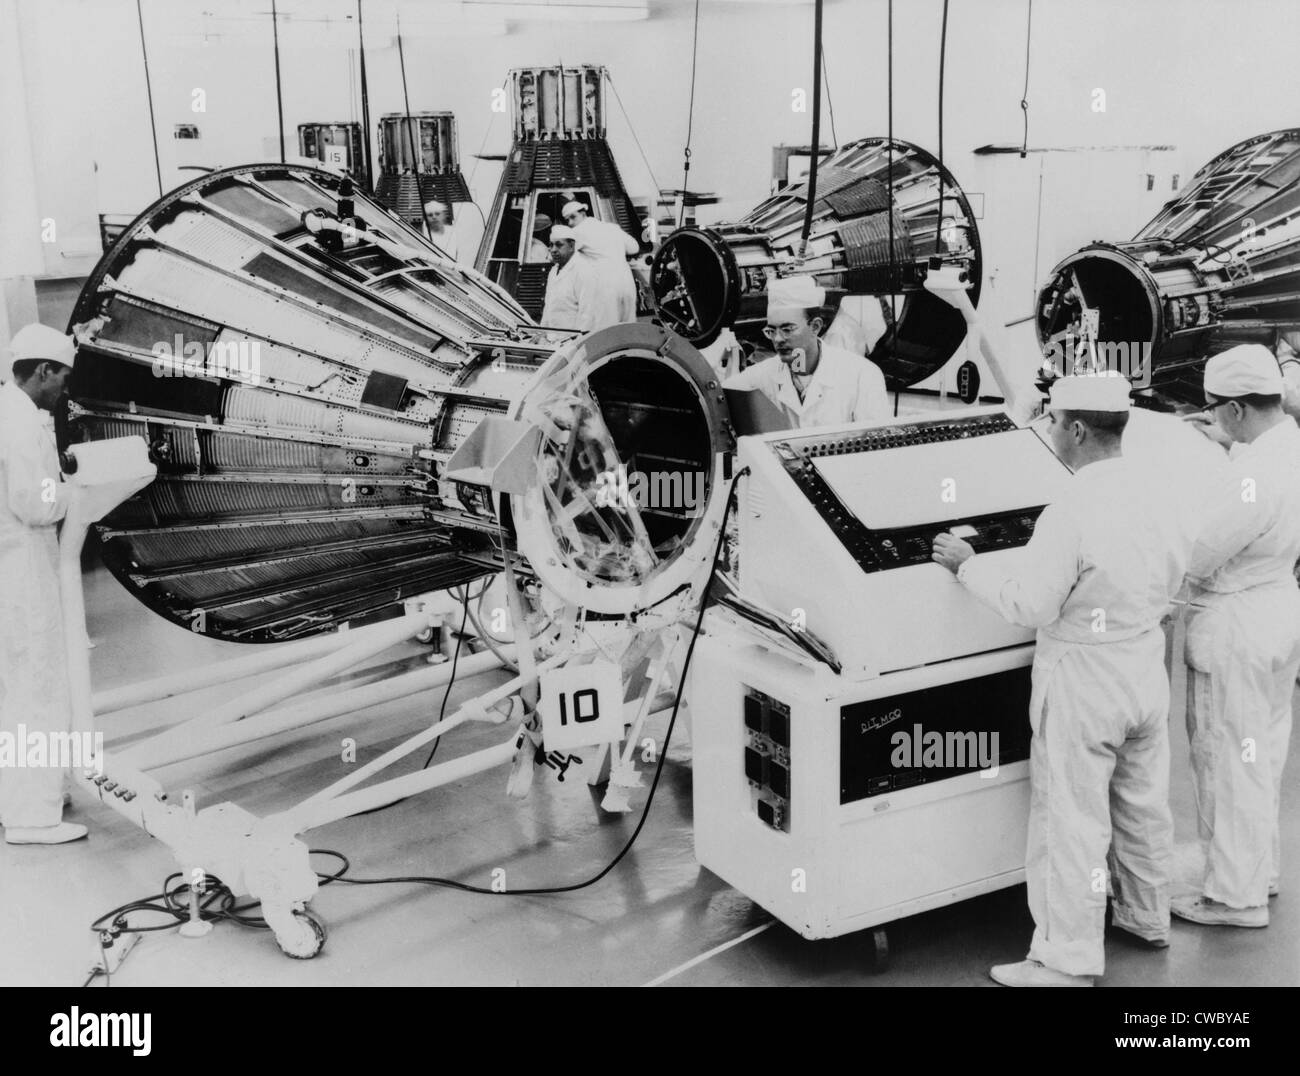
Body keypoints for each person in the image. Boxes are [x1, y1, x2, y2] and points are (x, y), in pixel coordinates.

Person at [932, 373, 1189, 986]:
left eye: (1052, 423)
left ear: (1075, 429)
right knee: (1143, 805)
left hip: (1085, 677)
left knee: (1070, 820)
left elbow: (1032, 605)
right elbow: (1177, 572)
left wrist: (970, 568)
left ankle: (1064, 959)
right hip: (1143, 667)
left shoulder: (1071, 507)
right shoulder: (1161, 493)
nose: (1049, 432)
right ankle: (1146, 917)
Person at [1173, 344, 1300, 928]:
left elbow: (1199, 552)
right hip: (1277, 610)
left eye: (1216, 409)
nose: (1213, 418)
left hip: (1236, 623)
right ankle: (1256, 871)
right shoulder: (1289, 447)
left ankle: (1232, 897)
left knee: (1227, 757)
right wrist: (1229, 451)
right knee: (1262, 754)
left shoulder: (1252, 476)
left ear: (1237, 410)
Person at [0, 323, 86, 845]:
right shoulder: (22, 425)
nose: (64, 390)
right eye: (61, 378)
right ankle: (33, 817)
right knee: (40, 687)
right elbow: (34, 503)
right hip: (24, 568)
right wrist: (74, 492)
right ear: (40, 371)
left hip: (15, 567)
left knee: (18, 688)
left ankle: (27, 794)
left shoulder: (12, 412)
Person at [724, 274, 889, 428]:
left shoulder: (862, 375)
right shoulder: (760, 376)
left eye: (787, 329)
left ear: (815, 326)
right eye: (771, 331)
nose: (778, 339)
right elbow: (720, 397)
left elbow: (876, 448)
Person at [561, 200, 638, 322]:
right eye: (567, 220)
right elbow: (634, 248)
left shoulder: (577, 232)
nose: (570, 223)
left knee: (606, 329)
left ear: (583, 214)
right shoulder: (612, 227)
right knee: (628, 327)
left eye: (572, 217)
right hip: (626, 282)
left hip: (605, 285)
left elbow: (563, 254)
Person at [540, 225, 607, 332]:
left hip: (573, 341)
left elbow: (587, 314)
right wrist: (542, 333)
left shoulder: (583, 270)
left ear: (571, 246)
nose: (553, 250)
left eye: (559, 245)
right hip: (552, 340)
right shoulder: (553, 272)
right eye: (551, 245)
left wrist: (576, 342)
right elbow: (548, 308)